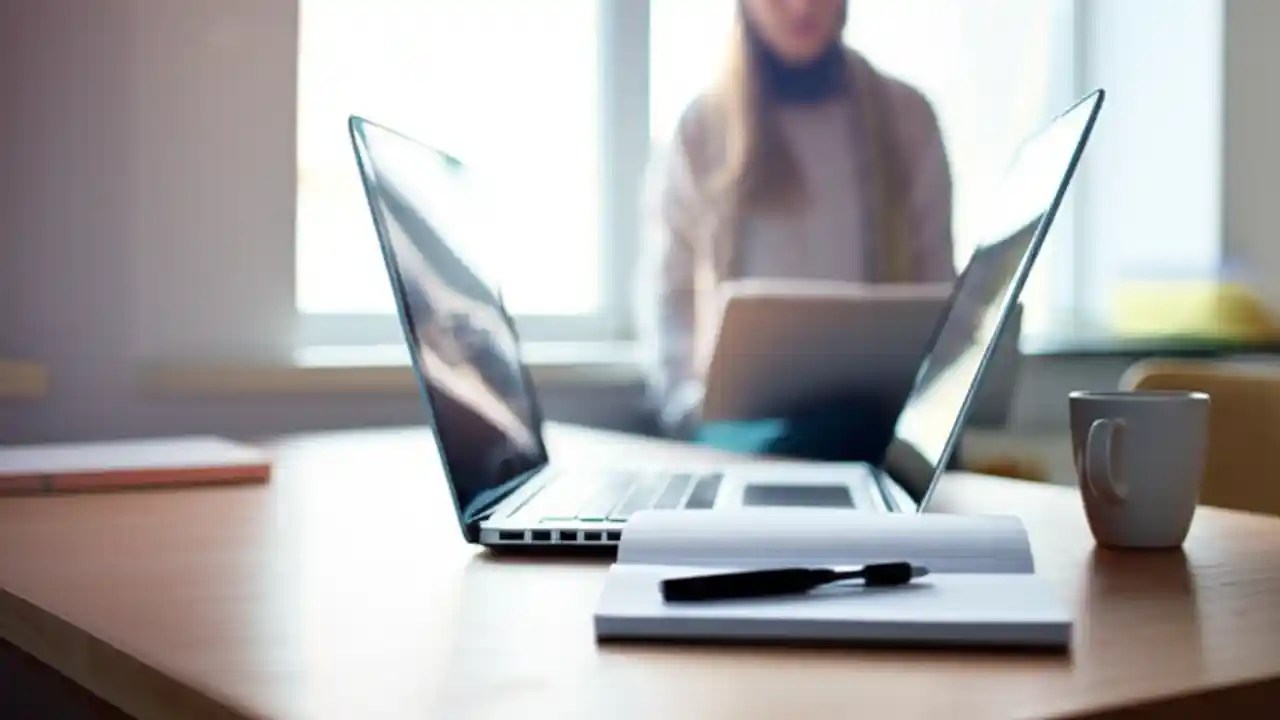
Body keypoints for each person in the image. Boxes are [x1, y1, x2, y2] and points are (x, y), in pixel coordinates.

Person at [638, 0, 955, 461]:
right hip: (741, 437)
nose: (802, 5)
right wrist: (690, 411)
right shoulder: (702, 129)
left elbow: (939, 295)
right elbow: (670, 296)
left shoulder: (908, 118)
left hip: (877, 428)